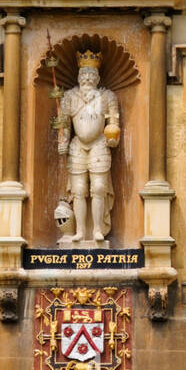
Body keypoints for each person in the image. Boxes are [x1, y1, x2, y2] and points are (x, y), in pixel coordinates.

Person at [56, 51, 120, 242]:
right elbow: (64, 124)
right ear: (78, 76)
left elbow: (114, 121)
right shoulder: (68, 96)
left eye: (91, 75)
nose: (87, 78)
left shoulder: (108, 96)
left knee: (99, 187)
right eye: (84, 74)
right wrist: (63, 140)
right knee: (78, 190)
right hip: (78, 146)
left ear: (98, 77)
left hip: (99, 144)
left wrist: (112, 136)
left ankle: (98, 229)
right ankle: (81, 231)